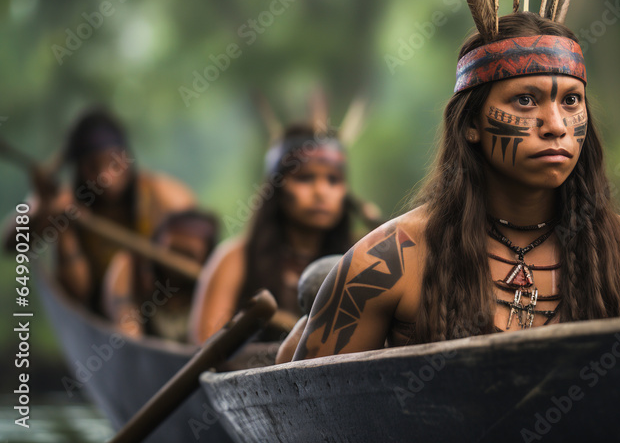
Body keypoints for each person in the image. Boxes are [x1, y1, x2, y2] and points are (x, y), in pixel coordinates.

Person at [290, 0, 620, 361]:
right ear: (471, 124)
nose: (556, 125)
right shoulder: (389, 261)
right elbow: (307, 406)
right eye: (525, 100)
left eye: (570, 101)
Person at [3, 108, 196, 312]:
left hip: (162, 306)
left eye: (113, 162)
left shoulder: (163, 195)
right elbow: (11, 242)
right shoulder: (68, 203)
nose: (105, 176)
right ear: (79, 169)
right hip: (101, 311)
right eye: (93, 166)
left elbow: (198, 245)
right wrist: (43, 203)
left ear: (126, 157)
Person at [189, 124, 359, 343]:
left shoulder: (359, 260)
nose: (321, 192)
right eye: (305, 178)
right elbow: (205, 351)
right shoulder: (235, 259)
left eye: (333, 180)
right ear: (277, 186)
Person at [102, 210, 219, 342]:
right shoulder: (135, 273)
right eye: (173, 251)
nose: (177, 262)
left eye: (188, 255)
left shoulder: (211, 293)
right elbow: (128, 332)